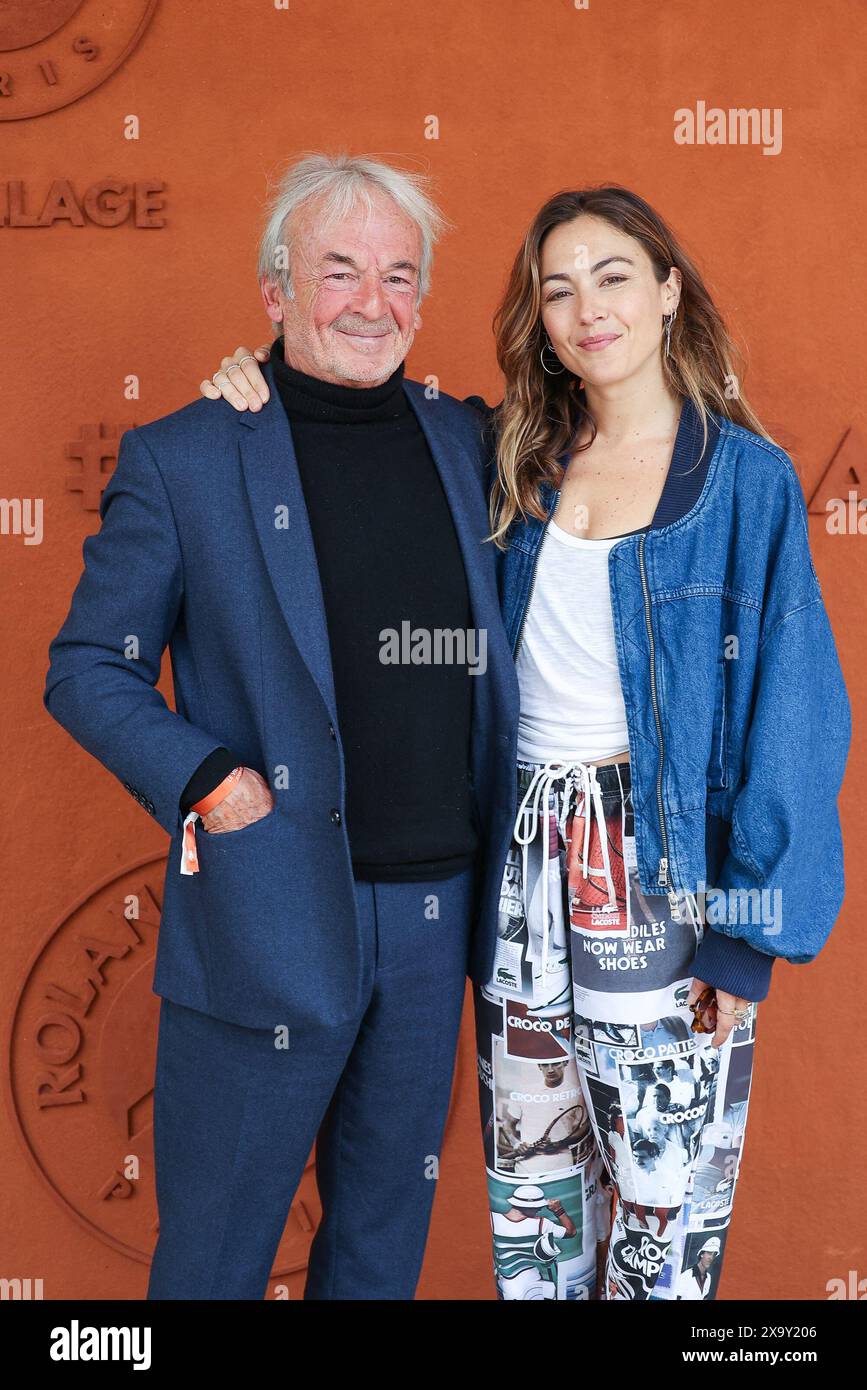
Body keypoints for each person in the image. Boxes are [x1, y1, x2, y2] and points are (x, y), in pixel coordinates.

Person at [201, 181, 851, 1301]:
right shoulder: (511, 457)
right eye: (557, 289)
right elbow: (362, 423)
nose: (586, 309)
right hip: (518, 865)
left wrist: (753, 934)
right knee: (536, 1200)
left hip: (656, 872)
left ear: (666, 292)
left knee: (660, 1197)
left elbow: (794, 710)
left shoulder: (747, 481)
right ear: (539, 320)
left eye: (612, 277)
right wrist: (255, 380)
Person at [42, 154, 521, 1300]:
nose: (372, 302)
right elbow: (83, 669)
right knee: (213, 1258)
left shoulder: (468, 443)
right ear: (275, 293)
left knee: (378, 1246)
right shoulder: (189, 455)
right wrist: (209, 776)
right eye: (339, 271)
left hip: (433, 917)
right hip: (266, 902)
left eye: (398, 276)